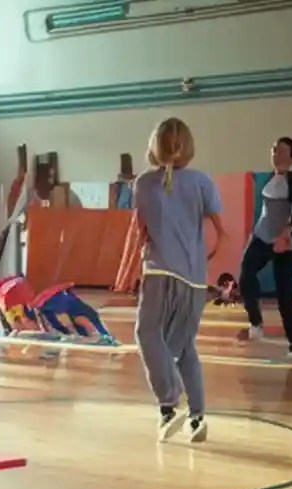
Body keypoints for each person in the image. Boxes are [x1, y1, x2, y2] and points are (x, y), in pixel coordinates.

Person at [118, 117, 227, 443]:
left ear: (155, 147)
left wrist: (129, 270)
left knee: (147, 333)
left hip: (160, 273)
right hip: (194, 281)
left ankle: (169, 399)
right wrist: (206, 256)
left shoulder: (143, 184)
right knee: (184, 346)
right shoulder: (203, 182)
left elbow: (140, 232)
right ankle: (197, 417)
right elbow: (221, 232)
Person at [237, 137, 292, 356]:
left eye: (282, 151)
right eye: (274, 150)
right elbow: (265, 213)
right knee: (246, 273)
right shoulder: (270, 178)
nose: (276, 154)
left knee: (284, 291)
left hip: (285, 241)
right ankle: (255, 324)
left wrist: (284, 237)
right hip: (262, 236)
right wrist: (253, 236)